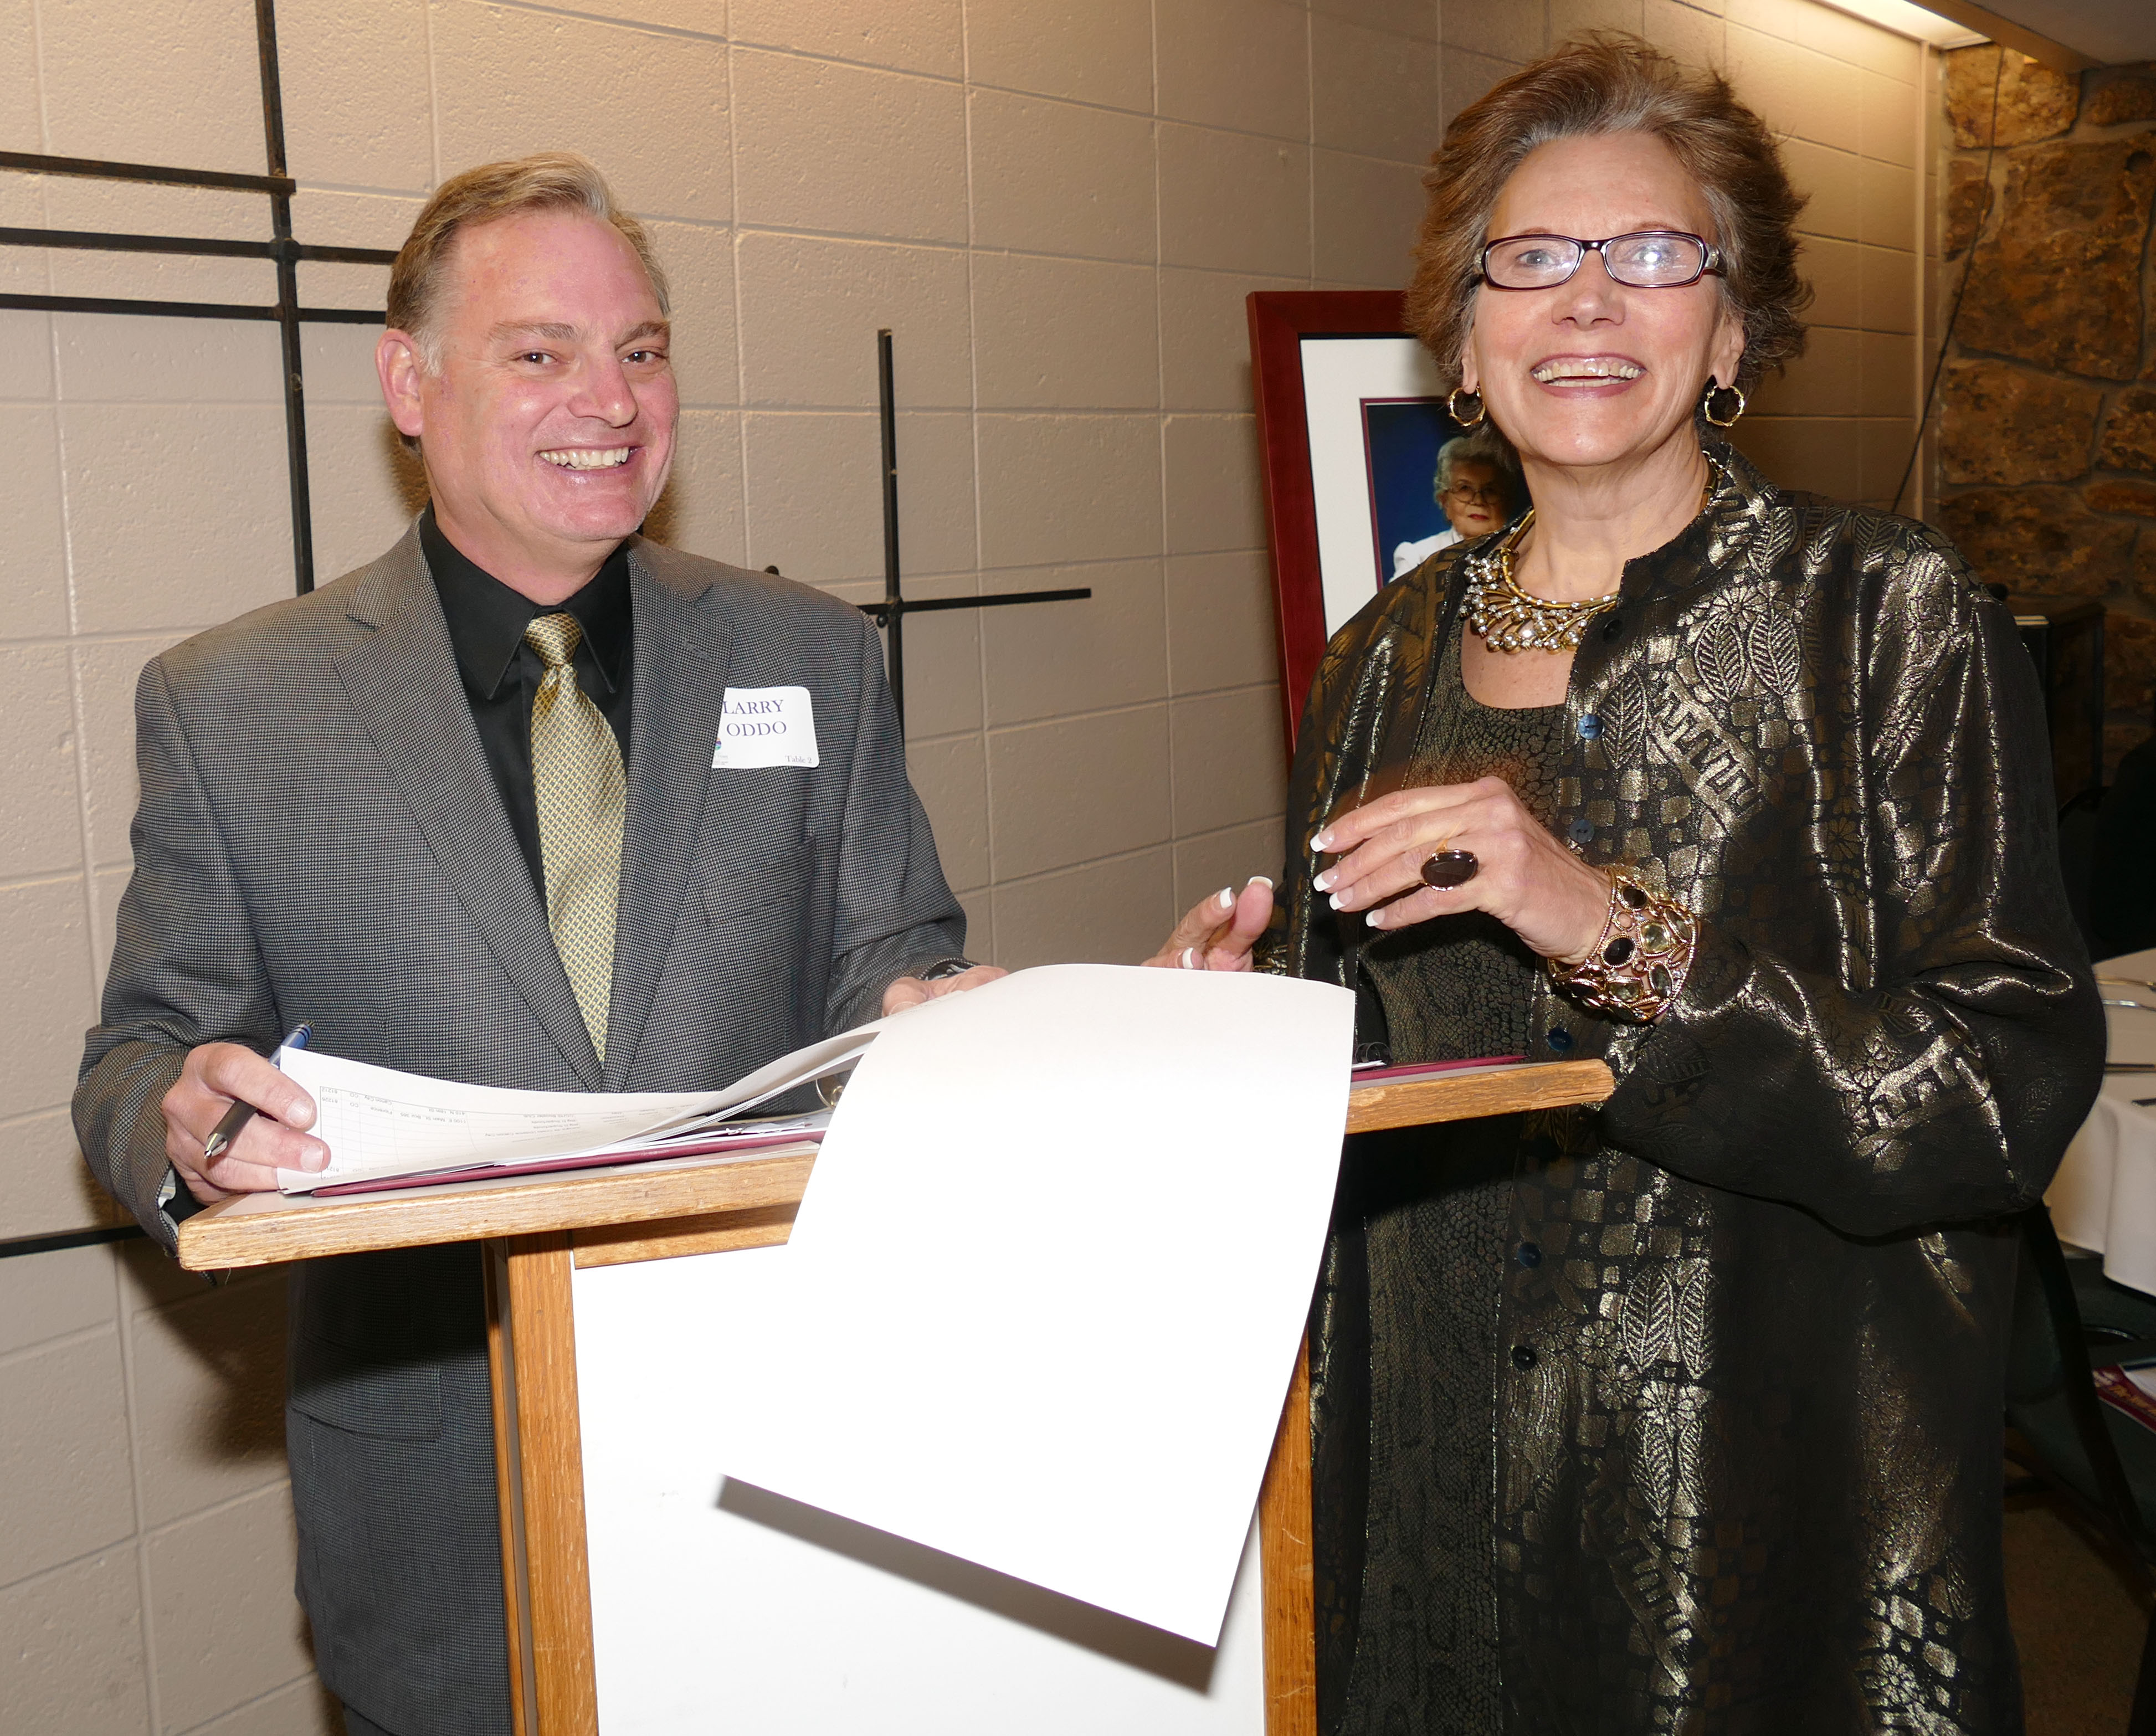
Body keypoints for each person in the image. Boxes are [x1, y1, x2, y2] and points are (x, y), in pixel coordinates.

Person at [1151, 36, 2102, 1734]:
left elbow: (1992, 1093)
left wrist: (1606, 926)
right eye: (1530, 259)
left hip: (1756, 1507)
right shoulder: (1379, 657)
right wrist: (1227, 1032)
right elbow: (1346, 1068)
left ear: (1732, 330)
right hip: (1429, 1486)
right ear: (1461, 333)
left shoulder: (1882, 616)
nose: (1586, 303)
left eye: (1652, 254)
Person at [74, 153, 997, 1736]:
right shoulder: (236, 705)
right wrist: (184, 1124)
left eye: (641, 349)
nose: (612, 397)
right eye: (540, 351)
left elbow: (887, 966)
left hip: (789, 1482)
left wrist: (960, 1030)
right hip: (445, 1531)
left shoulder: (811, 657)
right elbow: (138, 1057)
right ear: (408, 384)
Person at [1389, 432, 1517, 577]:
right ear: (1445, 502)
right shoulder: (1417, 558)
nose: (1478, 501)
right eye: (1465, 489)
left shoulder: (1524, 555)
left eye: (1491, 490)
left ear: (1507, 502)